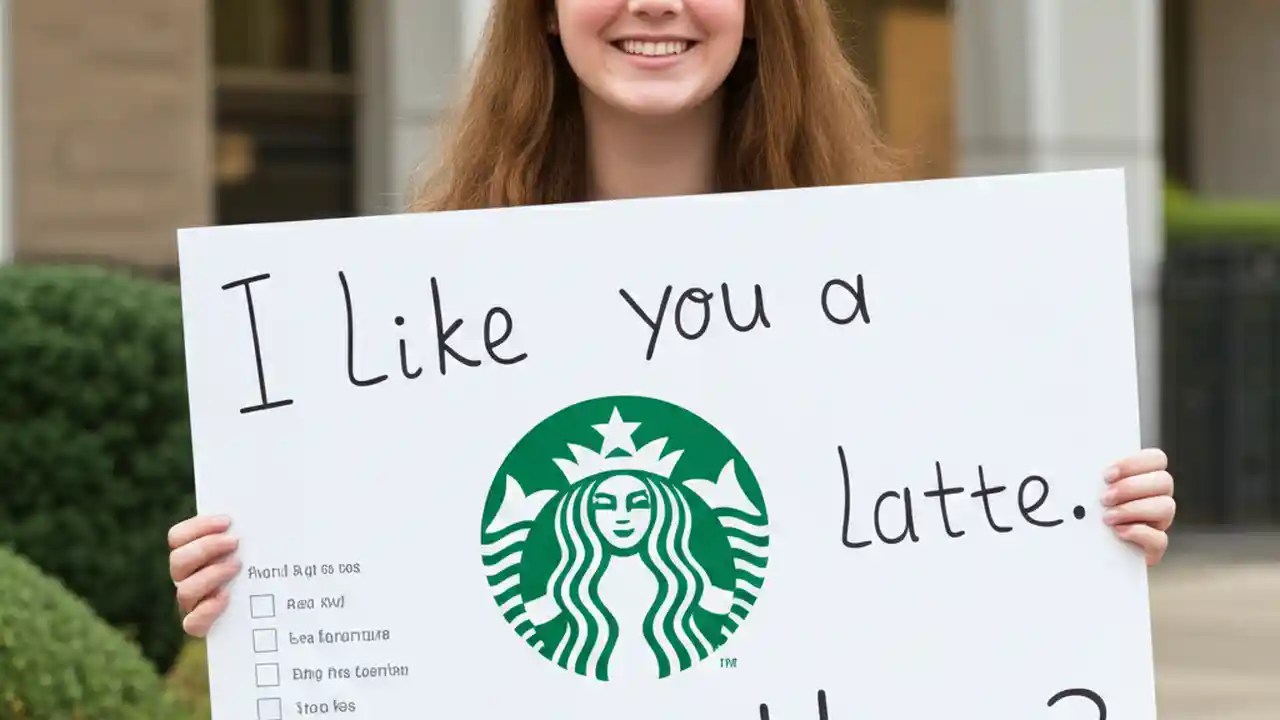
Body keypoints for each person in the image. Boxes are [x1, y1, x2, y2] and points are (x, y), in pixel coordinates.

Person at [167, 0, 1177, 639]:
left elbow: (959, 558)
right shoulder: (416, 310)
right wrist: (257, 590)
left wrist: (1088, 520)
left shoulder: (894, 294)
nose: (656, 5)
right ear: (543, 15)